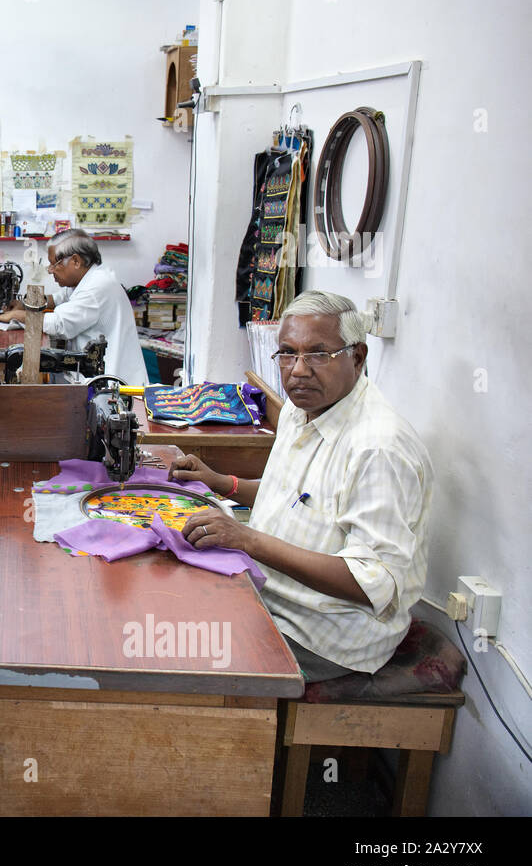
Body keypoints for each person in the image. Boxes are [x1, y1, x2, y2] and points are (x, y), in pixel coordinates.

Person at [170, 291, 433, 682]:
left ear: (357, 357)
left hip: (323, 633)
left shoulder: (378, 449)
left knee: (179, 653)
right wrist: (221, 483)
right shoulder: (301, 409)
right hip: (272, 593)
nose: (298, 370)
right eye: (288, 353)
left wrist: (246, 539)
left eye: (318, 354)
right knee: (166, 593)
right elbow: (294, 497)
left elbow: (369, 582)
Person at [0, 228, 146, 386]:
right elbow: (59, 298)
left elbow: (59, 324)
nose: (50, 271)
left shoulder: (97, 287)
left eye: (54, 264)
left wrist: (15, 315)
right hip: (95, 372)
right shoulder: (88, 278)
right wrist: (23, 305)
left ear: (76, 261)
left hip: (114, 385)